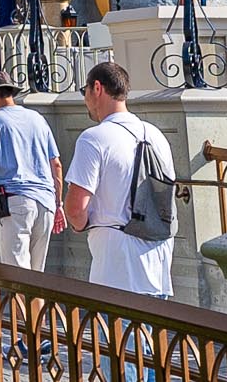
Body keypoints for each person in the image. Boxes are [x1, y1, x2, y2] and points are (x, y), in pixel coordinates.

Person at [62, 61, 177, 296]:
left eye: (84, 91)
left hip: (117, 271)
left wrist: (79, 224)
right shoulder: (156, 134)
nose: (84, 98)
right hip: (159, 264)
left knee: (118, 332)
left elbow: (75, 208)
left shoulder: (93, 138)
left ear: (97, 88)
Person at [0, 74, 65, 269]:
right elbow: (56, 165)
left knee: (16, 276)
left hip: (16, 203)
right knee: (36, 278)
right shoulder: (37, 119)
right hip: (46, 203)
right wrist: (58, 204)